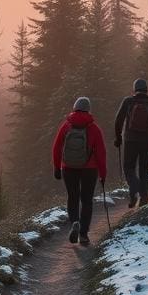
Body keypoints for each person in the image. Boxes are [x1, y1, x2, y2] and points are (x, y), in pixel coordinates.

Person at [52, 96, 107, 246]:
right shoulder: (94, 128)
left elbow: (56, 147)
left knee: (73, 197)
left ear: (74, 108)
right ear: (88, 109)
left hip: (68, 167)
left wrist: (57, 167)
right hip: (89, 169)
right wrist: (103, 174)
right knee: (87, 200)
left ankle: (75, 222)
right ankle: (83, 234)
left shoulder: (66, 126)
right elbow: (101, 153)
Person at [113, 78, 148, 208]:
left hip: (130, 140)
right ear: (146, 90)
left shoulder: (128, 101)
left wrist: (118, 138)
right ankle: (144, 198)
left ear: (134, 89)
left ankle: (133, 194)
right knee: (144, 169)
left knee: (129, 168)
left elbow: (118, 120)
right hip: (147, 141)